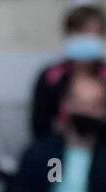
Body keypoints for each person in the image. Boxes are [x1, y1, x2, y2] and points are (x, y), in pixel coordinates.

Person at [31, 2, 106, 140]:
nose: (87, 39)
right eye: (81, 32)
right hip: (58, 152)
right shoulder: (51, 78)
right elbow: (39, 126)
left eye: (93, 33)